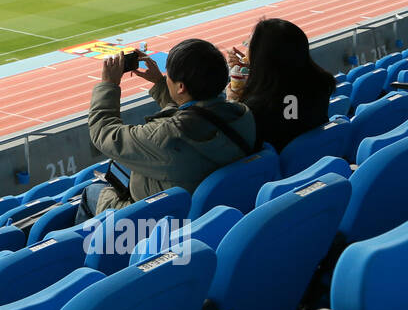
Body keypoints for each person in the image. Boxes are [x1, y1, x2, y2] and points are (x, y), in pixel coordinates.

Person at [77, 38, 258, 220]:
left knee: (91, 192)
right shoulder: (242, 116)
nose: (167, 77)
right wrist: (160, 83)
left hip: (160, 218)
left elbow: (104, 133)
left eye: (169, 74)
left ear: (180, 87)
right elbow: (194, 115)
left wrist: (109, 84)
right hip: (210, 211)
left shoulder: (165, 137)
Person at [226, 18, 335, 152]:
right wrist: (252, 67)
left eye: (249, 45)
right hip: (316, 159)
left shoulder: (257, 106)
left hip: (281, 169)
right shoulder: (321, 83)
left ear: (263, 57)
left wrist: (233, 102)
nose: (247, 50)